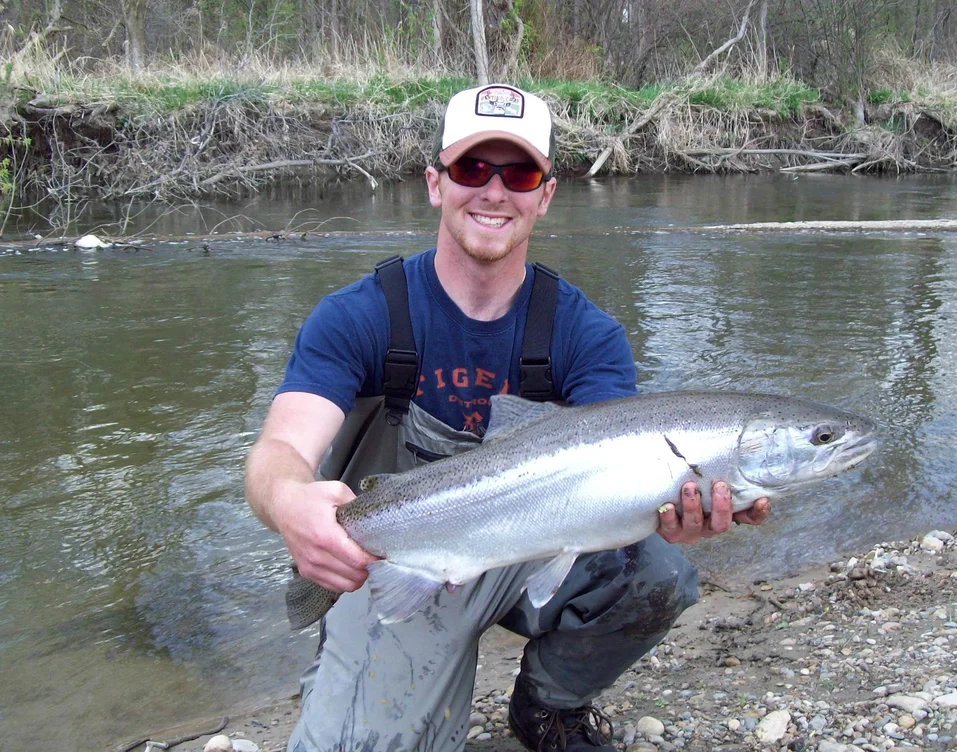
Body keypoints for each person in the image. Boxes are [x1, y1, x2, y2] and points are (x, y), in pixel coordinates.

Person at [245, 83, 770, 752]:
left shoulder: (587, 334)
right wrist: (290, 503)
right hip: (401, 552)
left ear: (544, 195)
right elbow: (279, 448)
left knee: (659, 572)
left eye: (517, 173)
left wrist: (673, 513)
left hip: (535, 548)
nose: (493, 192)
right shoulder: (359, 315)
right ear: (436, 184)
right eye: (472, 169)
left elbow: (622, 479)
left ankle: (548, 703)